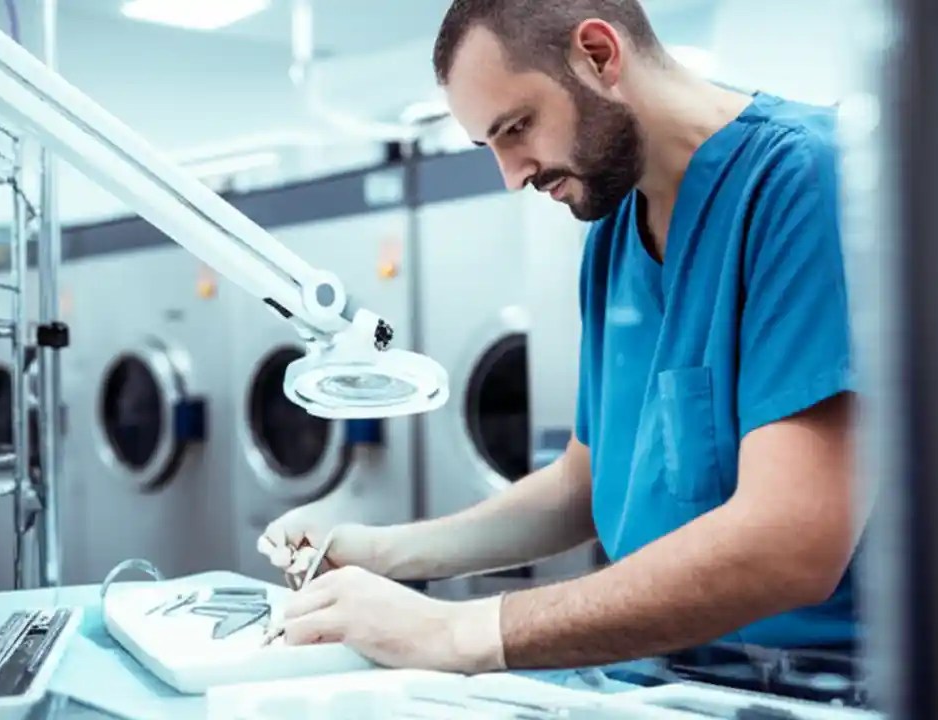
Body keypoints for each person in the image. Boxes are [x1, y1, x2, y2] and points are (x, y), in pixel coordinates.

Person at [258, 0, 860, 673]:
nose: (513, 175)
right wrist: (381, 550)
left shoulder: (807, 178)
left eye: (517, 128)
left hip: (827, 686)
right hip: (671, 675)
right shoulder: (610, 235)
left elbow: (792, 544)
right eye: (492, 147)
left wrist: (457, 632)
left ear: (599, 54)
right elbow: (583, 482)